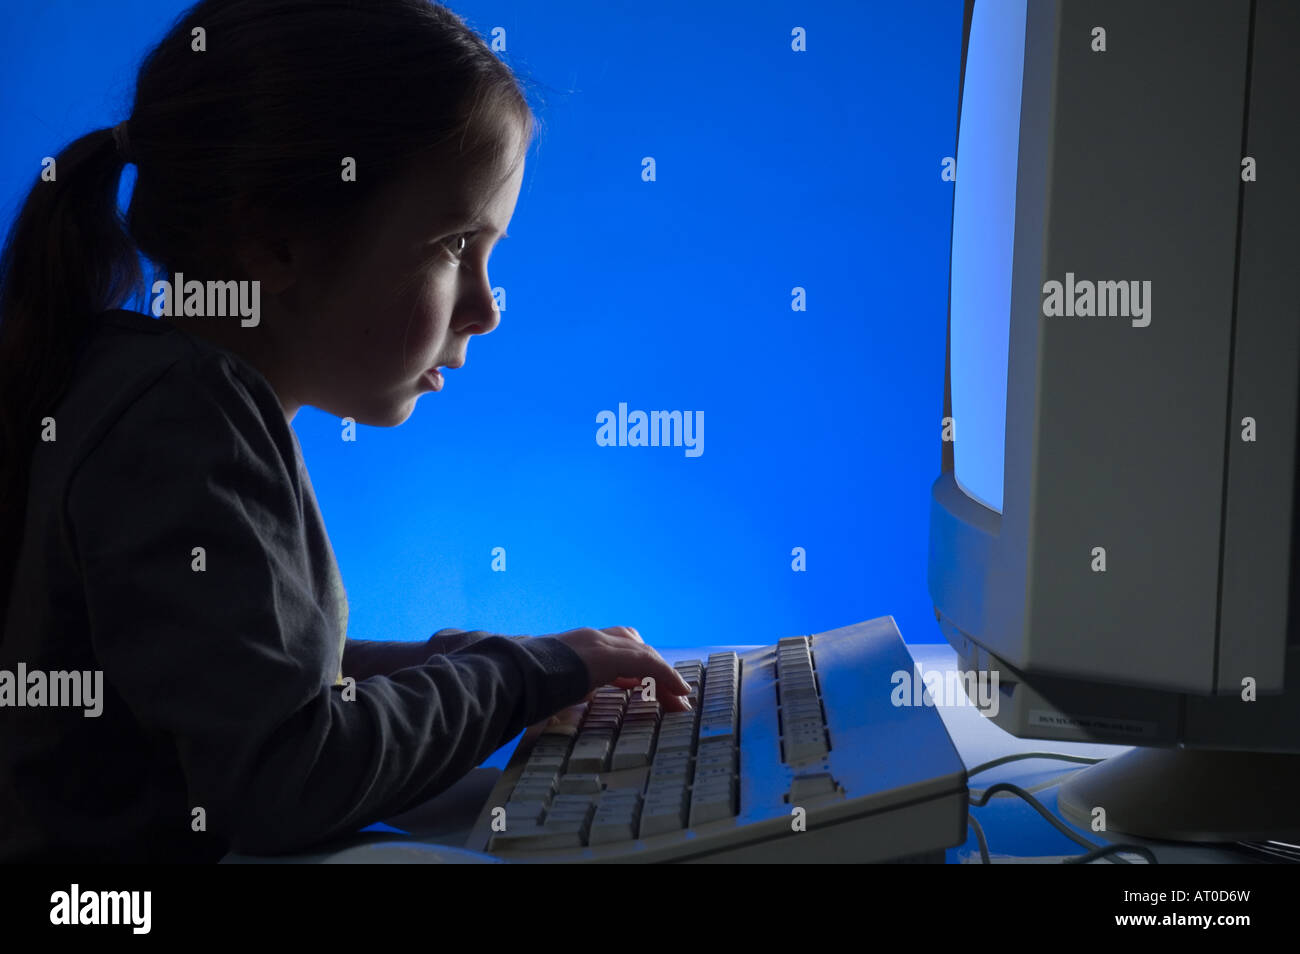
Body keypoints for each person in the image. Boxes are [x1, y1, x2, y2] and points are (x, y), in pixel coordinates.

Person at [0, 0, 690, 863]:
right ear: (276, 243)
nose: (486, 307)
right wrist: (521, 677)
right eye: (453, 246)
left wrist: (450, 664)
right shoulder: (182, 420)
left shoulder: (142, 384)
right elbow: (287, 776)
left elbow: (224, 671)